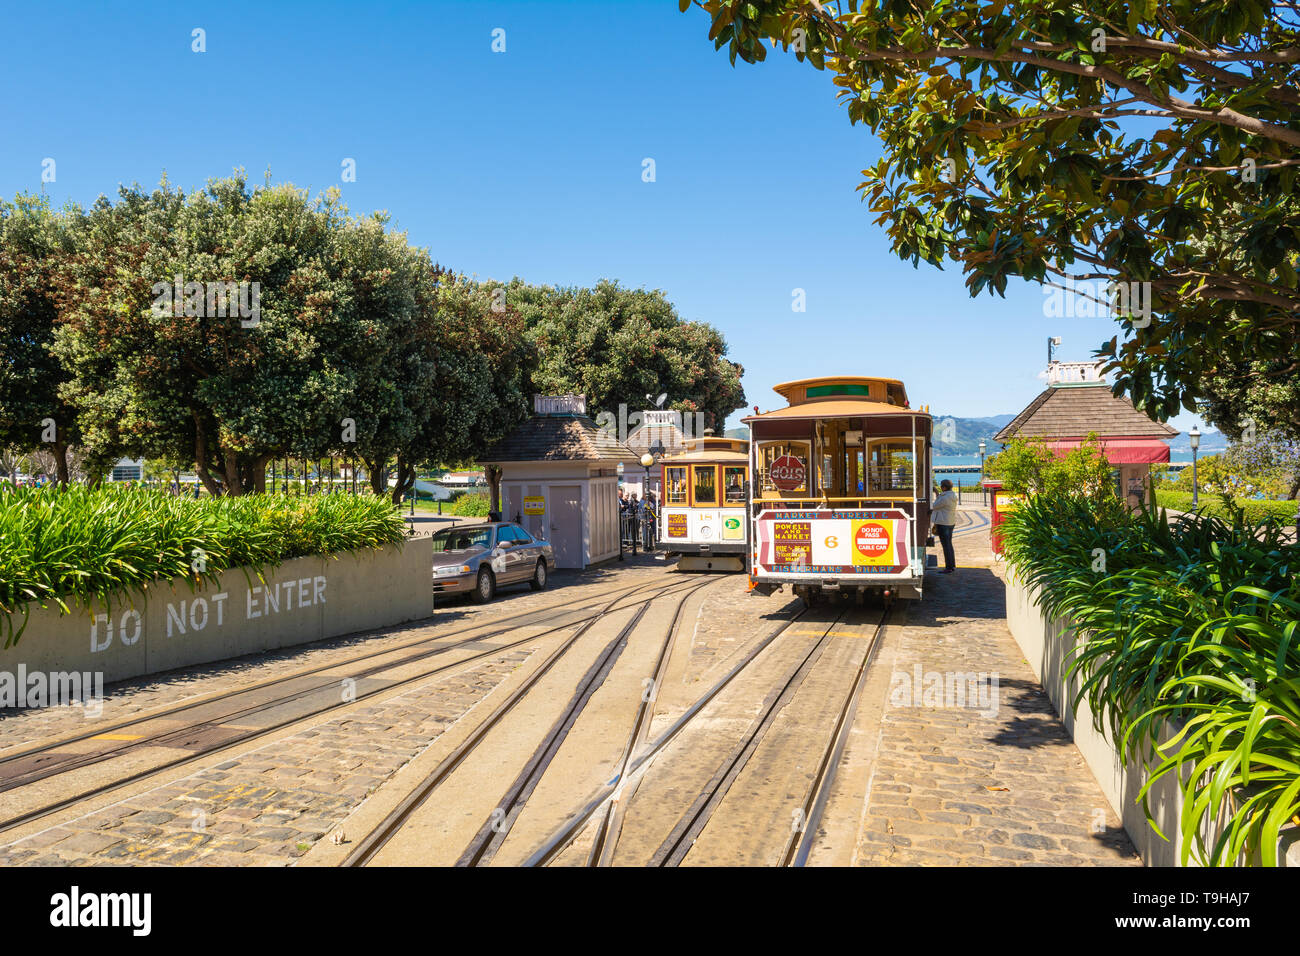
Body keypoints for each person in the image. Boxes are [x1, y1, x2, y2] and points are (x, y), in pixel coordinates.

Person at [931, 479, 958, 574]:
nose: (940, 487)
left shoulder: (945, 498)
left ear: (944, 487)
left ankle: (948, 567)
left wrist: (936, 493)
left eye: (941, 486)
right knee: (949, 545)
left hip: (943, 523)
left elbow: (934, 506)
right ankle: (952, 565)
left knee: (946, 546)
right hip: (950, 522)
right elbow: (940, 502)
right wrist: (937, 493)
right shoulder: (952, 495)